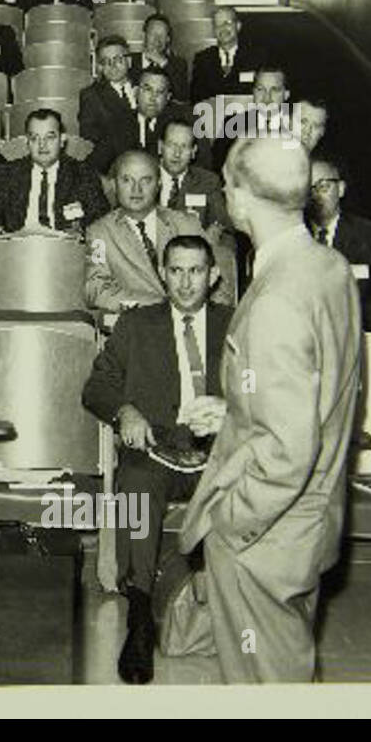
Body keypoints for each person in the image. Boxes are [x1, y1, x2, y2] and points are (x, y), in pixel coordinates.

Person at [179, 136, 363, 684]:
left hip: (264, 540)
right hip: (310, 523)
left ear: (238, 198)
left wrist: (230, 525)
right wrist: (237, 410)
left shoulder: (276, 298)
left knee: (264, 689)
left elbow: (286, 453)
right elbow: (317, 386)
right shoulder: (329, 266)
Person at [82, 233, 233, 683]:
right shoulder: (136, 325)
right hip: (156, 449)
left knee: (246, 484)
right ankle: (141, 614)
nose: (185, 282)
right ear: (162, 274)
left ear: (214, 275)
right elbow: (97, 388)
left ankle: (234, 610)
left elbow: (262, 387)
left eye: (196, 271)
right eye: (176, 271)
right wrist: (125, 411)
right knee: (137, 488)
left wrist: (234, 414)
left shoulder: (238, 323)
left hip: (219, 451)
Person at [85, 150, 232, 312]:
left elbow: (217, 284)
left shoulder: (187, 224)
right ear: (114, 185)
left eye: (146, 180)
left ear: (158, 184)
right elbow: (95, 289)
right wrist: (157, 305)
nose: (136, 189)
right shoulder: (99, 233)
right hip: (137, 324)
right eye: (127, 180)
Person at [0, 108, 109, 237]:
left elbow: (101, 219)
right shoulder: (6, 174)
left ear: (62, 140)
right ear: (27, 142)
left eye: (50, 137)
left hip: (66, 252)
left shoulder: (83, 174)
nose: (42, 145)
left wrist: (83, 231)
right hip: (18, 251)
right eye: (35, 138)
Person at [307, 154, 371, 332]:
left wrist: (358, 320)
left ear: (340, 189)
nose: (316, 195)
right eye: (309, 189)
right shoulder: (294, 236)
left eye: (323, 186)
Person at [78, 35, 140, 175]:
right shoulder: (91, 95)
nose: (113, 66)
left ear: (129, 61)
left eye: (118, 59)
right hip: (113, 167)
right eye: (106, 61)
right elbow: (89, 137)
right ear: (100, 67)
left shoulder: (144, 85)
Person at [157, 118, 229, 229]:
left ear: (193, 152)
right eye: (172, 145)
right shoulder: (144, 177)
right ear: (160, 147)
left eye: (184, 146)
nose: (177, 153)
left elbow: (224, 228)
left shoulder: (208, 183)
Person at [189, 6, 263, 103]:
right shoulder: (202, 59)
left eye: (227, 23)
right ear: (213, 31)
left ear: (238, 26)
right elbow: (196, 99)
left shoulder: (257, 57)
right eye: (218, 25)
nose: (223, 29)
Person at [129, 13, 189, 102]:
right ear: (143, 35)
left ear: (168, 39)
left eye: (162, 35)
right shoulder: (129, 61)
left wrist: (163, 63)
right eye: (153, 34)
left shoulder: (177, 64)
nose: (157, 40)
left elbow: (182, 96)